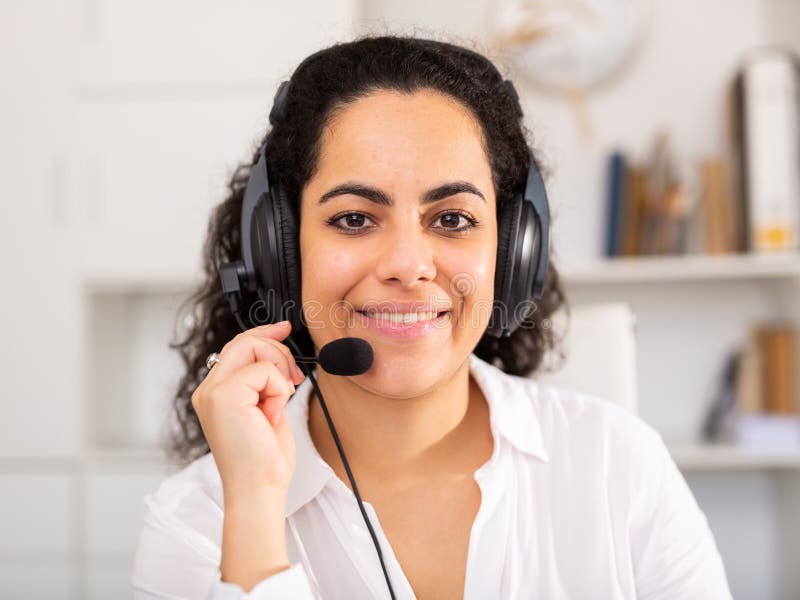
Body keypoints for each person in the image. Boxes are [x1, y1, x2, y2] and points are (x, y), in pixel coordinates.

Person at [132, 35, 732, 599]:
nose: (408, 265)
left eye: (452, 219)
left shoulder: (620, 465)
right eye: (353, 219)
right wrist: (256, 513)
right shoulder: (200, 518)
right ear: (279, 253)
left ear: (513, 252)